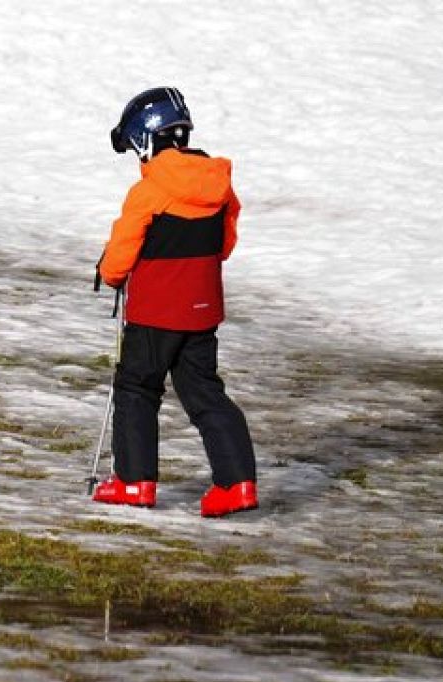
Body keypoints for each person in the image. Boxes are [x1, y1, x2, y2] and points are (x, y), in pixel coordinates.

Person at [93, 87, 257, 517]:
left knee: (137, 386)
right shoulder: (219, 186)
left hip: (154, 313)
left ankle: (133, 481)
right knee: (205, 393)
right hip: (202, 311)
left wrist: (110, 273)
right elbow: (225, 243)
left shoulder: (149, 192)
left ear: (147, 141)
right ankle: (236, 483)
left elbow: (122, 252)